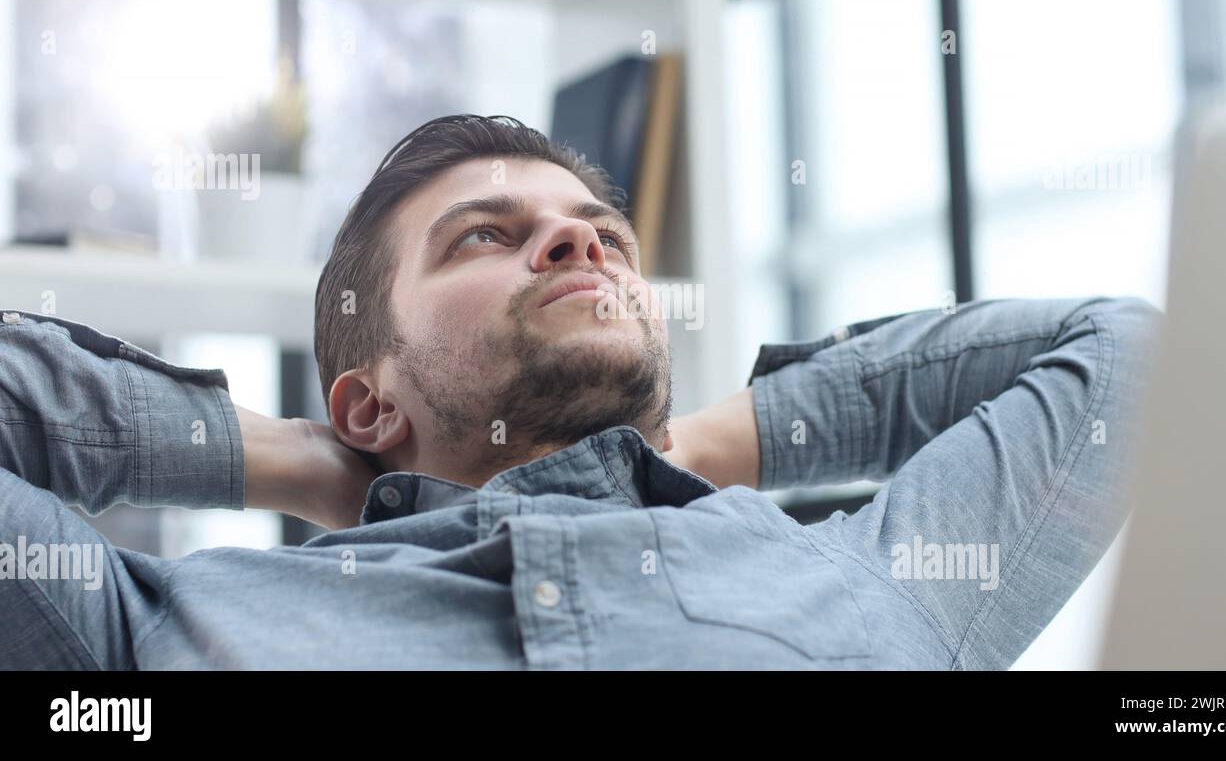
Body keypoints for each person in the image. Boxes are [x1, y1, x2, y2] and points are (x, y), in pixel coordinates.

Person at [0, 114, 1160, 669]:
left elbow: (1131, 358)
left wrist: (695, 442)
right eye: (483, 237)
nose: (575, 243)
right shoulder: (144, 639)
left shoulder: (878, 579)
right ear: (368, 398)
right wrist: (293, 460)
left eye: (600, 231)